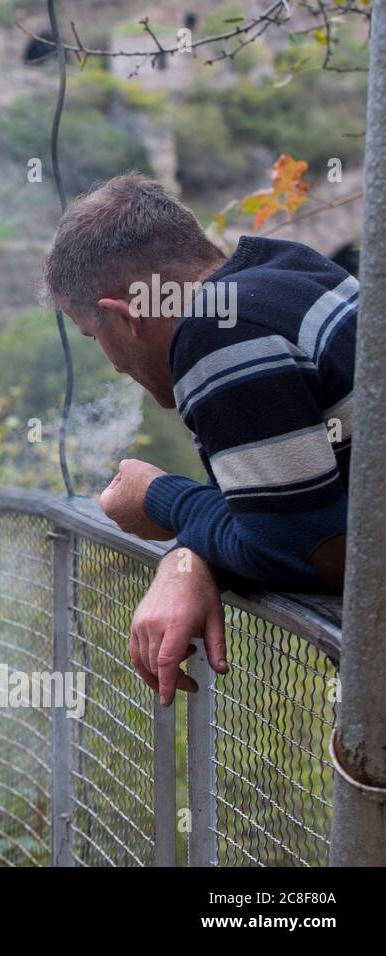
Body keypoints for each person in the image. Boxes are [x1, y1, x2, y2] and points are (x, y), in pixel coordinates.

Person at [40, 173, 357, 706]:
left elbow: (309, 554)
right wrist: (187, 557)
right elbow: (274, 517)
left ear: (126, 316)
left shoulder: (217, 336)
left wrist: (163, 500)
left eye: (96, 338)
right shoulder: (291, 270)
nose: (115, 366)